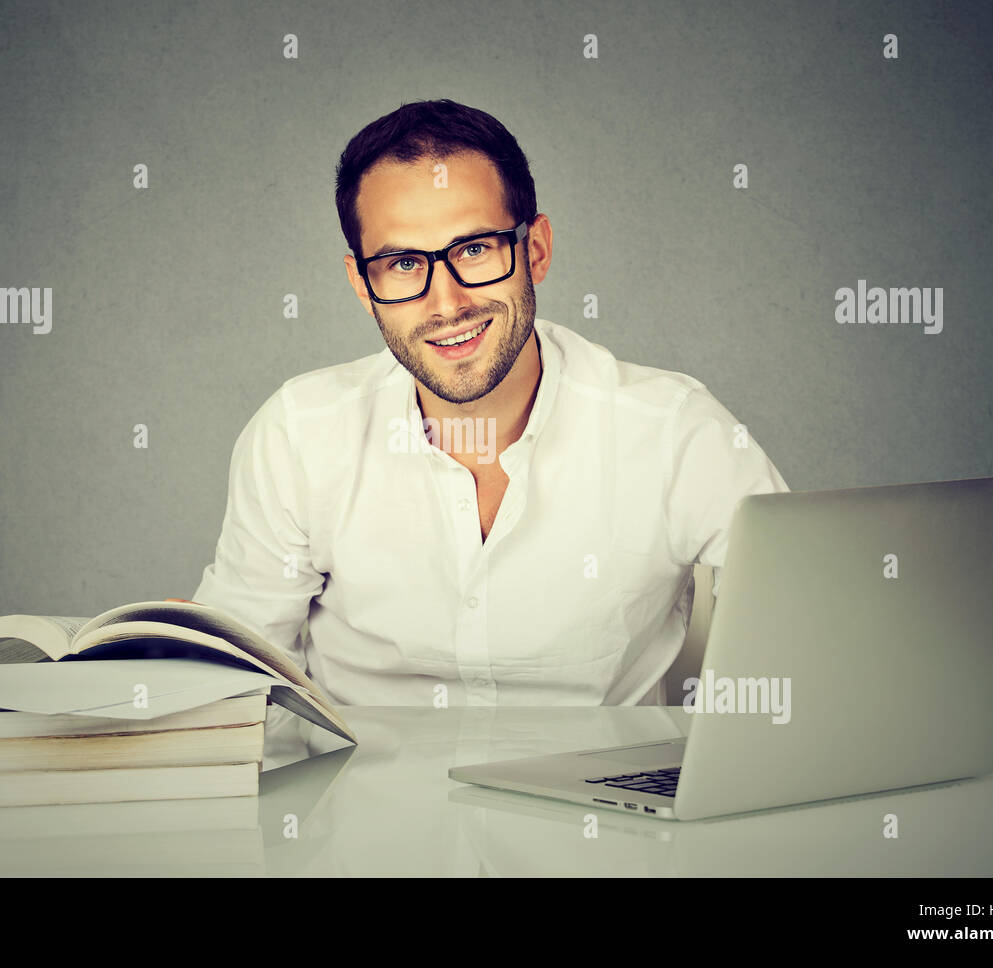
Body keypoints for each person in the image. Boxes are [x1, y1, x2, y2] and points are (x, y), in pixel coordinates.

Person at [193, 98, 788, 706]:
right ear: (363, 285)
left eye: (474, 249)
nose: (446, 304)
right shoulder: (298, 435)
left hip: (592, 799)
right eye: (402, 264)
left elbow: (811, 634)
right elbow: (233, 683)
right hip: (357, 792)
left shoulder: (674, 431)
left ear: (535, 250)